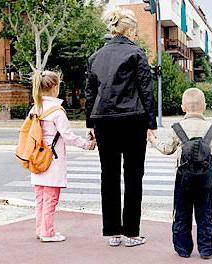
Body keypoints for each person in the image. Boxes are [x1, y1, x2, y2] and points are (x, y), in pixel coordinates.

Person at [85, 7, 157, 247]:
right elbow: (145, 90)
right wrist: (151, 123)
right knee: (134, 176)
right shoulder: (136, 53)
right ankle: (131, 233)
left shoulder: (95, 57)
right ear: (131, 29)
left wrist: (90, 124)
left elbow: (90, 93)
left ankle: (113, 233)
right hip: (132, 119)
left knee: (109, 176)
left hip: (103, 121)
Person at [148, 88, 212, 259]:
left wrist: (153, 141)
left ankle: (183, 248)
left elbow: (167, 149)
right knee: (205, 214)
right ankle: (206, 249)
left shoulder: (178, 128)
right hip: (205, 180)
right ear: (204, 107)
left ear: (182, 107)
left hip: (183, 179)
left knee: (181, 213)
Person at [30, 70, 96, 243]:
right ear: (55, 87)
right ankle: (48, 231)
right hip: (52, 159)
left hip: (36, 158)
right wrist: (87, 144)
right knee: (51, 197)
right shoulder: (57, 111)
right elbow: (68, 137)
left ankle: (40, 228)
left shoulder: (35, 107)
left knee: (40, 198)